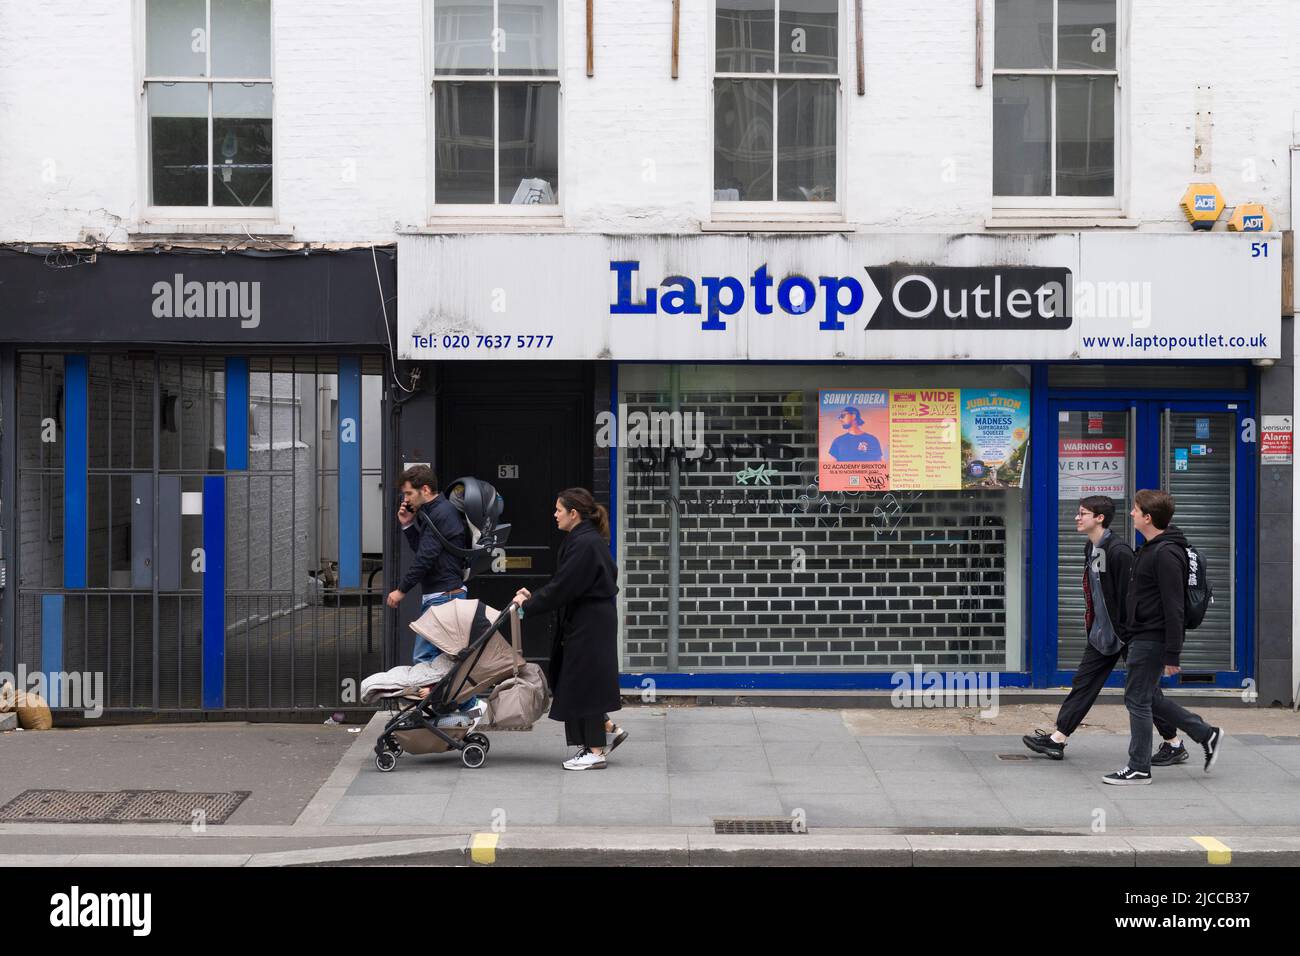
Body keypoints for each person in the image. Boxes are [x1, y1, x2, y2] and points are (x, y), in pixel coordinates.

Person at [1023, 495, 1163, 758]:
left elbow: (1130, 597)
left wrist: (1131, 635)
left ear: (1099, 518)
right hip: (1103, 633)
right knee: (1084, 683)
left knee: (1147, 692)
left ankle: (1174, 741)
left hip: (1126, 634)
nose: (1077, 517)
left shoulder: (1119, 552)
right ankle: (1058, 738)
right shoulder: (1093, 547)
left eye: (1083, 513)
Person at [1103, 490, 1224, 785]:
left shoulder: (1166, 553)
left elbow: (1174, 606)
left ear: (1148, 517)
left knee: (1137, 700)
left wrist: (1173, 653)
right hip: (1142, 634)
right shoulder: (1152, 546)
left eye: (1135, 510)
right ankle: (1206, 734)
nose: (1130, 514)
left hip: (1153, 637)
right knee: (1148, 696)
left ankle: (1139, 767)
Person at [513, 488, 622, 771]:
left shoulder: (584, 543)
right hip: (589, 619)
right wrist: (533, 597)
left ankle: (595, 750)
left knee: (584, 681)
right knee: (579, 679)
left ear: (574, 513)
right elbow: (565, 583)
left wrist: (530, 604)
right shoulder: (583, 540)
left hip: (590, 622)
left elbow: (563, 587)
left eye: (559, 510)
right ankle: (605, 729)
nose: (555, 515)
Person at [386, 464, 483, 723]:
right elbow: (426, 550)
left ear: (425, 489)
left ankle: (467, 706)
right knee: (438, 659)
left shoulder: (442, 513)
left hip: (444, 595)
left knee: (424, 658)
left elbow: (425, 558)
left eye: (409, 494)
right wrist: (408, 526)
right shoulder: (435, 512)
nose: (405, 500)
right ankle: (457, 708)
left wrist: (401, 590)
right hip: (441, 594)